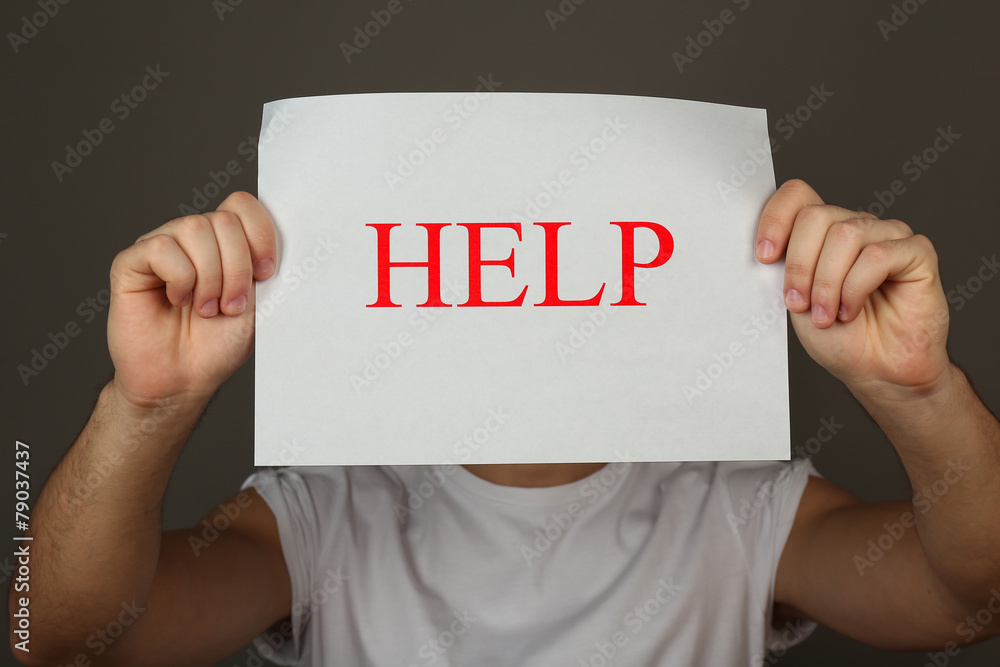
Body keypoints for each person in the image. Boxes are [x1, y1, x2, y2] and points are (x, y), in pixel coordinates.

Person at [10, 180, 1000, 666]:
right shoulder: (322, 511)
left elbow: (971, 601)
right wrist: (147, 406)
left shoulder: (739, 505)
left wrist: (920, 392)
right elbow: (55, 639)